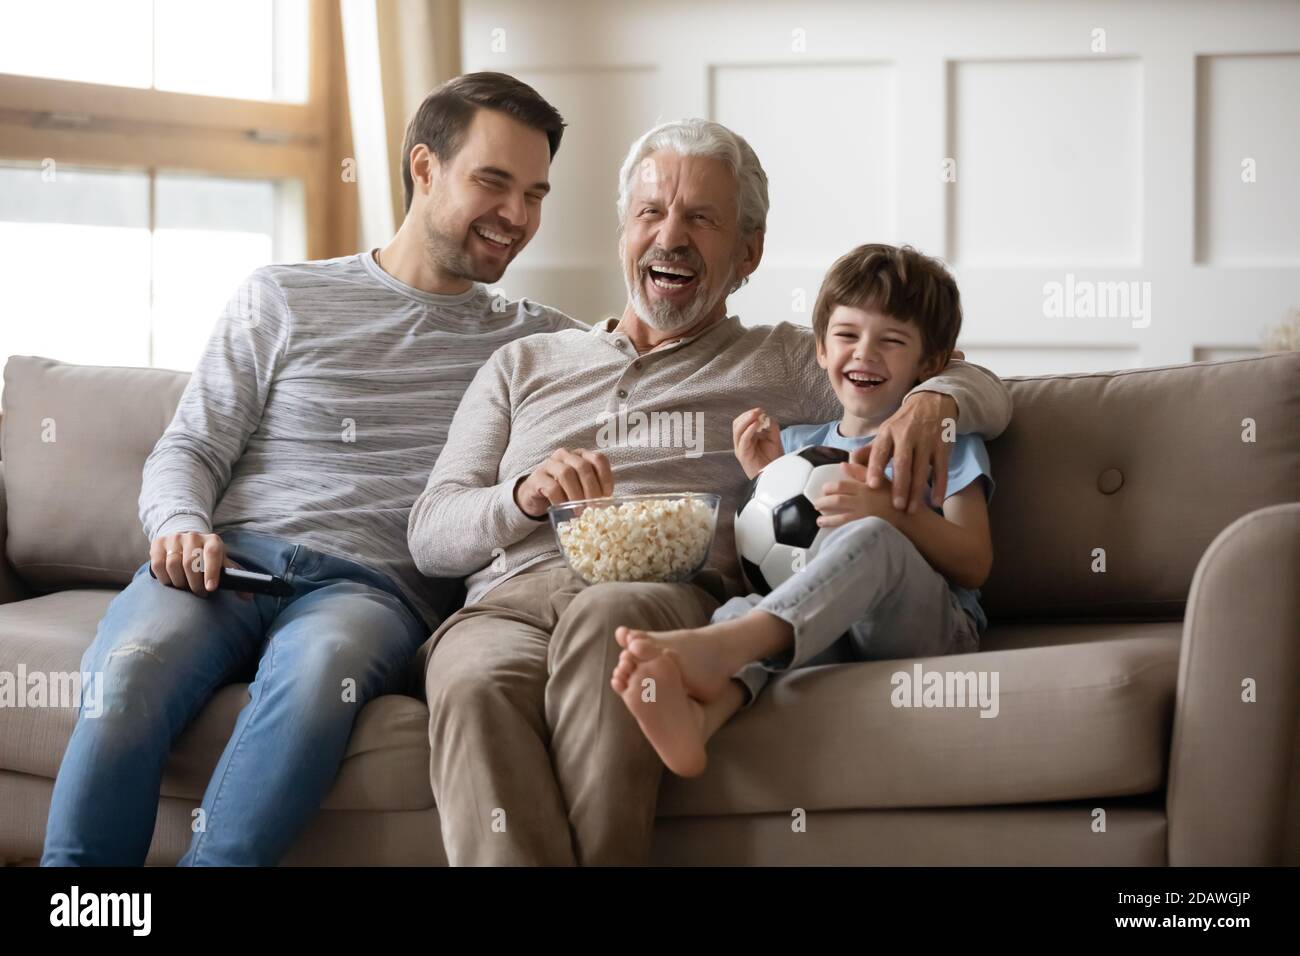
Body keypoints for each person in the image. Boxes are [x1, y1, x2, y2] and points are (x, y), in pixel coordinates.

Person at [408, 121, 1011, 865]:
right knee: (473, 683)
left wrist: (937, 402)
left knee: (615, 628)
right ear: (623, 230)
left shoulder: (787, 359)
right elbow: (431, 533)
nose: (672, 237)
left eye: (702, 218)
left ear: (748, 251)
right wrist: (524, 496)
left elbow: (962, 377)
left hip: (659, 589)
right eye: (652, 213)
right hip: (509, 598)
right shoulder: (523, 363)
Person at [42, 72, 574, 866]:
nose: (518, 217)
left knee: (323, 672)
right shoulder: (282, 298)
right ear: (423, 168)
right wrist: (182, 526)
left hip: (374, 590)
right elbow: (190, 447)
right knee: (130, 675)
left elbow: (654, 373)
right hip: (228, 563)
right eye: (493, 183)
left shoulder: (538, 348)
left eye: (535, 194)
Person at [611, 243, 994, 778]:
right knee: (749, 601)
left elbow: (975, 562)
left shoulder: (942, 441)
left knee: (874, 539)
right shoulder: (797, 444)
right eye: (847, 335)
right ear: (820, 349)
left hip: (931, 630)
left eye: (891, 340)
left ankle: (717, 649)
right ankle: (702, 719)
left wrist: (894, 513)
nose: (865, 353)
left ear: (929, 362)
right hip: (828, 630)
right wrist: (767, 479)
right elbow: (784, 551)